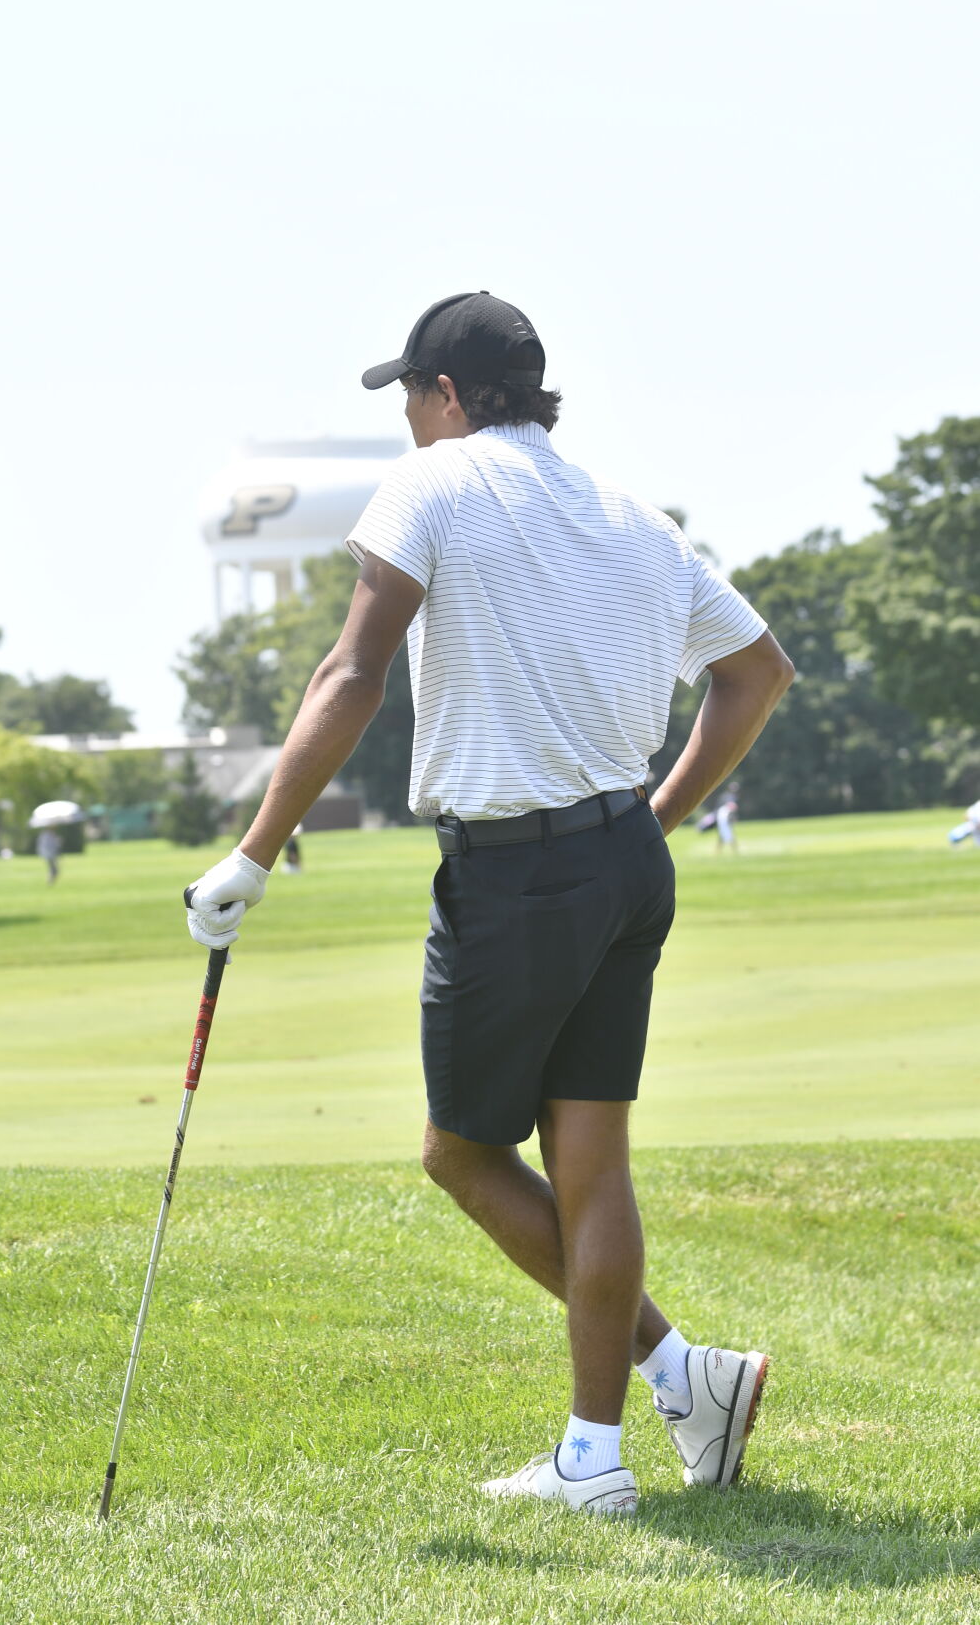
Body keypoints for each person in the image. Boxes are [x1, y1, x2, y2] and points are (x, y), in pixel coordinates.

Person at [185, 291, 794, 1518]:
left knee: (460, 1149)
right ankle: (612, 1440)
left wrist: (250, 853)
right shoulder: (628, 513)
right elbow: (755, 674)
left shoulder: (432, 482)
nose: (410, 419)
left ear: (451, 396)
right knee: (590, 1157)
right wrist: (652, 818)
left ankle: (653, 1394)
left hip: (514, 873)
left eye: (412, 395)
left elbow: (351, 670)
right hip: (622, 863)